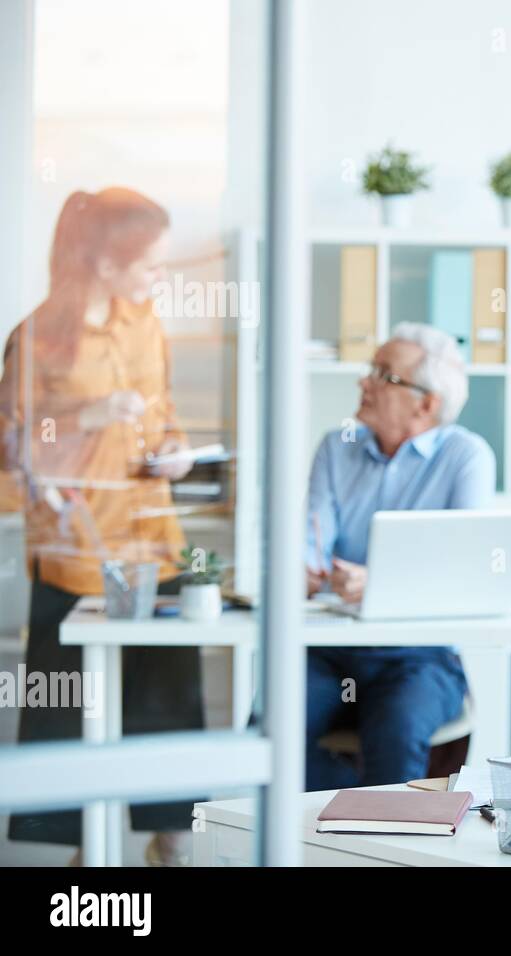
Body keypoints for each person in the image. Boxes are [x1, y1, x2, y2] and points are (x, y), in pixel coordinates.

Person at [0, 188, 202, 866]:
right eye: (151, 266)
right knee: (66, 711)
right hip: (74, 553)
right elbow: (12, 450)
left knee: (167, 706)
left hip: (152, 546)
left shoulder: (143, 322)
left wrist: (177, 449)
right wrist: (89, 414)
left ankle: (169, 846)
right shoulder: (36, 339)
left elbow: (164, 409)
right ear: (102, 264)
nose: (161, 280)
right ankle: (80, 861)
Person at [304, 323, 495, 790]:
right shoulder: (337, 447)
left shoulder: (466, 456)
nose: (364, 382)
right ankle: (304, 848)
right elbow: (310, 544)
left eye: (383, 374)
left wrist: (379, 583)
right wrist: (302, 568)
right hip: (332, 650)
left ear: (425, 404)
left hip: (420, 657)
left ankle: (384, 854)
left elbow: (465, 570)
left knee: (397, 725)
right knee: (278, 716)